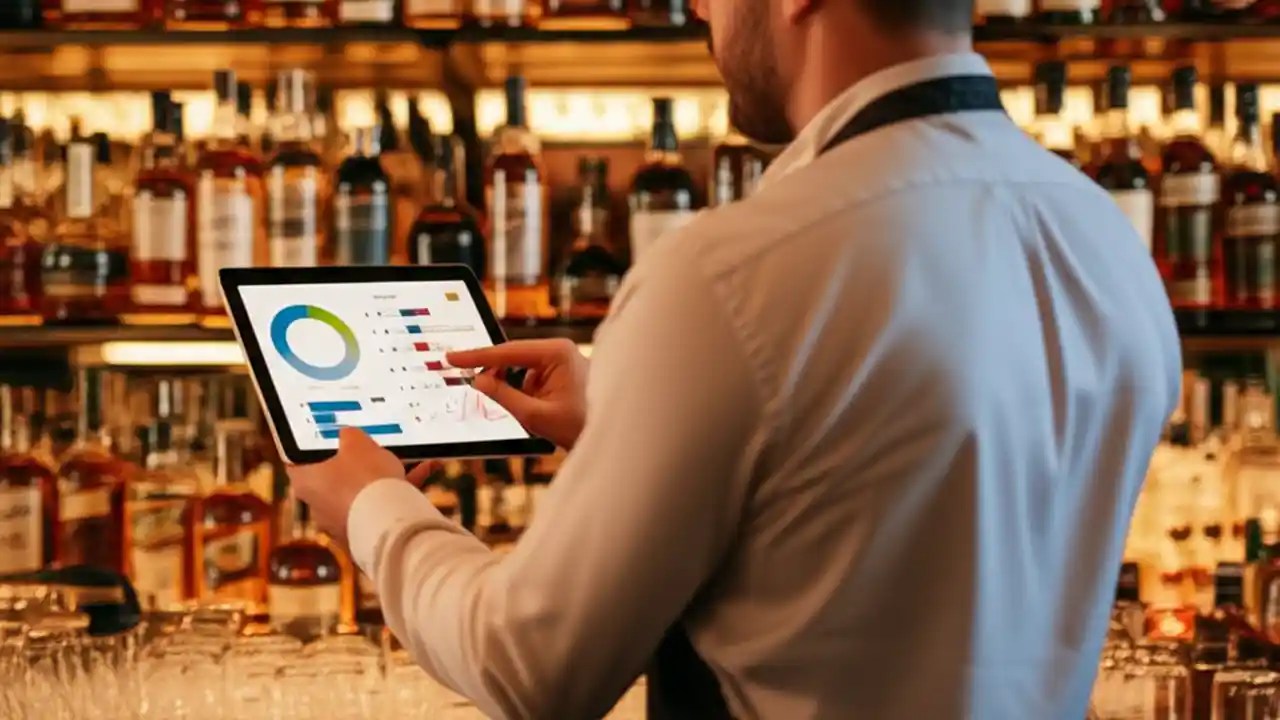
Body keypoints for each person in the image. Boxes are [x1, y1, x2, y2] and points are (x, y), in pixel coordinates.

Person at [287, 0, 1181, 714]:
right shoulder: (1101, 235)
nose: (703, 16)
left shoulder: (734, 272)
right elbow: (908, 509)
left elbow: (531, 668)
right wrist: (633, 424)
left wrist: (375, 509)